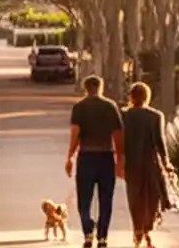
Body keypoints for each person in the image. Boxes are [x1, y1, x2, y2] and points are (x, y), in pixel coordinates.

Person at [66, 75, 124, 248]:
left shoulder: (79, 107)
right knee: (106, 199)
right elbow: (118, 135)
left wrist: (70, 156)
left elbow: (75, 133)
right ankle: (102, 236)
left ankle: (88, 232)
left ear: (85, 88)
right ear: (101, 87)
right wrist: (120, 159)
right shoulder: (110, 106)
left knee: (84, 199)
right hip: (106, 157)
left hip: (86, 157)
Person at [122, 82, 172, 248]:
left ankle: (138, 229)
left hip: (131, 164)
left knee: (134, 198)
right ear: (147, 97)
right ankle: (147, 229)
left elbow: (119, 141)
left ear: (131, 97)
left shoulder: (124, 116)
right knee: (152, 198)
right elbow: (160, 142)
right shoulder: (156, 116)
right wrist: (166, 162)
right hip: (151, 164)